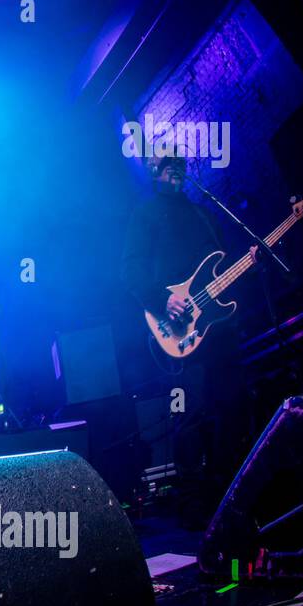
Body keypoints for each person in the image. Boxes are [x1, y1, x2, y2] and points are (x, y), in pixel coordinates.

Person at [121, 153, 257, 507]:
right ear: (155, 175)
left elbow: (220, 267)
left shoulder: (205, 213)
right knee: (192, 413)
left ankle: (232, 492)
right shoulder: (144, 214)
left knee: (232, 405)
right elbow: (130, 272)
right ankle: (195, 503)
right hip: (180, 328)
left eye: (179, 166)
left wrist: (249, 264)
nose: (175, 172)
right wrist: (162, 300)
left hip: (220, 328)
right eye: (167, 167)